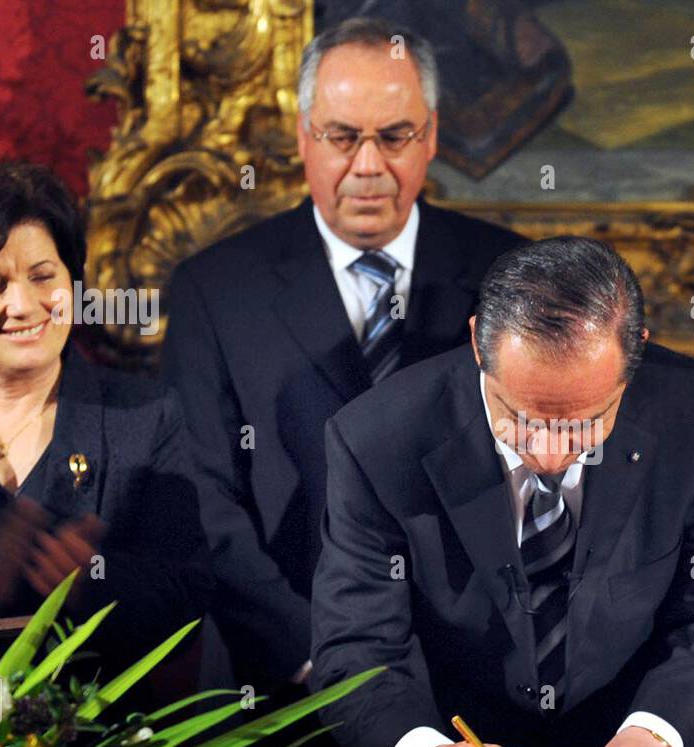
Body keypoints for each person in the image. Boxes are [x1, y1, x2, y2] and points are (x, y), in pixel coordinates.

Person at [309, 236, 694, 747]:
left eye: (585, 423)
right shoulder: (377, 438)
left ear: (636, 357)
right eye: (521, 419)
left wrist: (656, 732)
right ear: (479, 343)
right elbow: (355, 645)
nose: (550, 455)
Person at [162, 17, 522, 699]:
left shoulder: (509, 271)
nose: (367, 166)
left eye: (394, 137)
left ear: (433, 135)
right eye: (341, 137)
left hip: (478, 691)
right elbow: (202, 501)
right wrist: (317, 656)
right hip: (284, 691)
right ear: (304, 136)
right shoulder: (216, 288)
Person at [0, 161, 211, 702]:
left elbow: (188, 598)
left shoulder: (146, 415)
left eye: (43, 277)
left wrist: (91, 577)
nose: (23, 306)